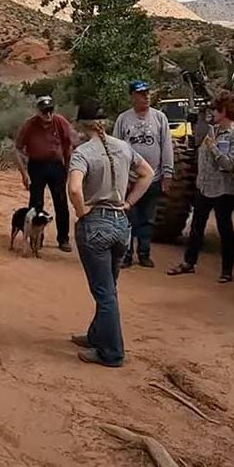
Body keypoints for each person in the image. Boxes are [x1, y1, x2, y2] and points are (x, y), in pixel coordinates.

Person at [67, 99, 154, 368]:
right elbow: (147, 174)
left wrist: (82, 212)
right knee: (108, 287)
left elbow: (74, 189)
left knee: (104, 292)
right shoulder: (123, 147)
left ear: (83, 125)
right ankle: (96, 335)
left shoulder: (83, 152)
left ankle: (112, 352)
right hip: (120, 223)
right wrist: (128, 203)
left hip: (96, 224)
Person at [166, 92, 234, 282]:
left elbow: (229, 164)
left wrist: (213, 148)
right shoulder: (212, 131)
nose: (212, 114)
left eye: (216, 110)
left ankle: (227, 270)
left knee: (224, 228)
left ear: (224, 111)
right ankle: (189, 262)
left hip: (224, 189)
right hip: (205, 187)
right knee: (196, 226)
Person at [112, 81, 174, 269]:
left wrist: (167, 172)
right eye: (141, 94)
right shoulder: (123, 119)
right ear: (132, 96)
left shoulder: (160, 118)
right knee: (128, 216)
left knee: (148, 217)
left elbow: (166, 146)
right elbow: (116, 147)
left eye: (147, 93)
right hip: (129, 178)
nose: (146, 97)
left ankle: (144, 253)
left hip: (153, 178)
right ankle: (127, 254)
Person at [15, 95, 73, 252]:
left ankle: (63, 239)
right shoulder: (30, 124)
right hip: (37, 166)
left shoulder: (59, 122)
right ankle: (36, 237)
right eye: (44, 111)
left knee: (60, 202)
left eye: (50, 110)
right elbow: (18, 148)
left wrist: (68, 167)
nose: (48, 114)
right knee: (35, 203)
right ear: (38, 111)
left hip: (56, 166)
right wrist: (24, 173)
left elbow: (68, 144)